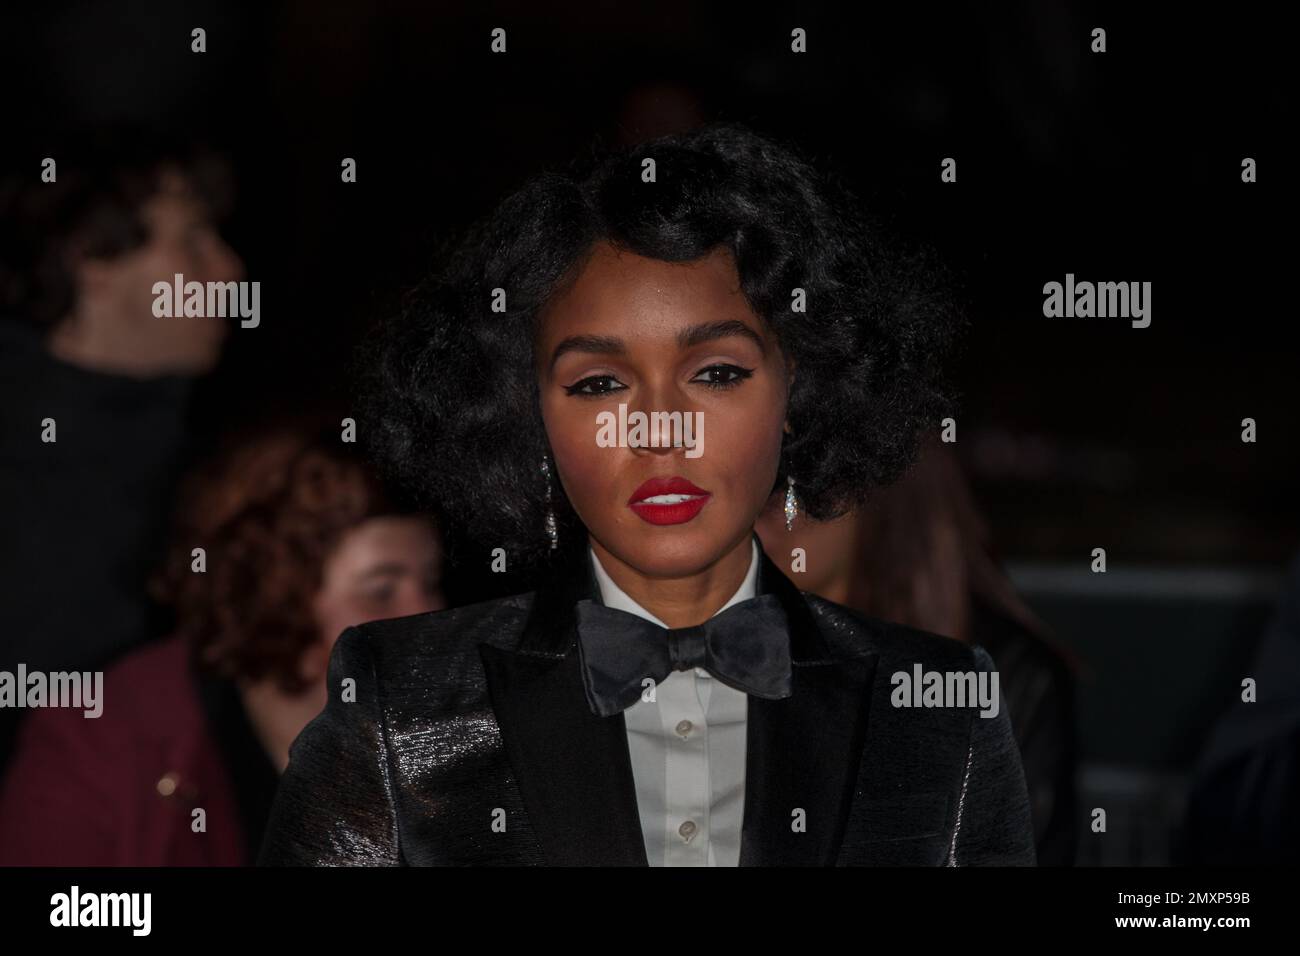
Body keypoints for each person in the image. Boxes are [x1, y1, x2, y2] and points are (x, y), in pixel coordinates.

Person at [259, 122, 1037, 866]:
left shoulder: (940, 712)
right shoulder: (400, 706)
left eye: (716, 373)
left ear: (795, 385)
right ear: (525, 411)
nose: (663, 431)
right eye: (600, 384)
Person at [0, 424, 445, 865]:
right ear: (274, 592)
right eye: (381, 591)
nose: (428, 616)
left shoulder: (453, 737)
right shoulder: (104, 737)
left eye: (430, 583)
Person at [0, 129, 243, 777]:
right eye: (192, 240)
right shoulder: (32, 476)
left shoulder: (180, 448)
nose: (229, 272)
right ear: (93, 260)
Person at [754, 436, 1080, 865]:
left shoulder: (1008, 678)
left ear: (881, 492)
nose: (763, 514)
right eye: (756, 480)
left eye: (795, 483)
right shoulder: (727, 648)